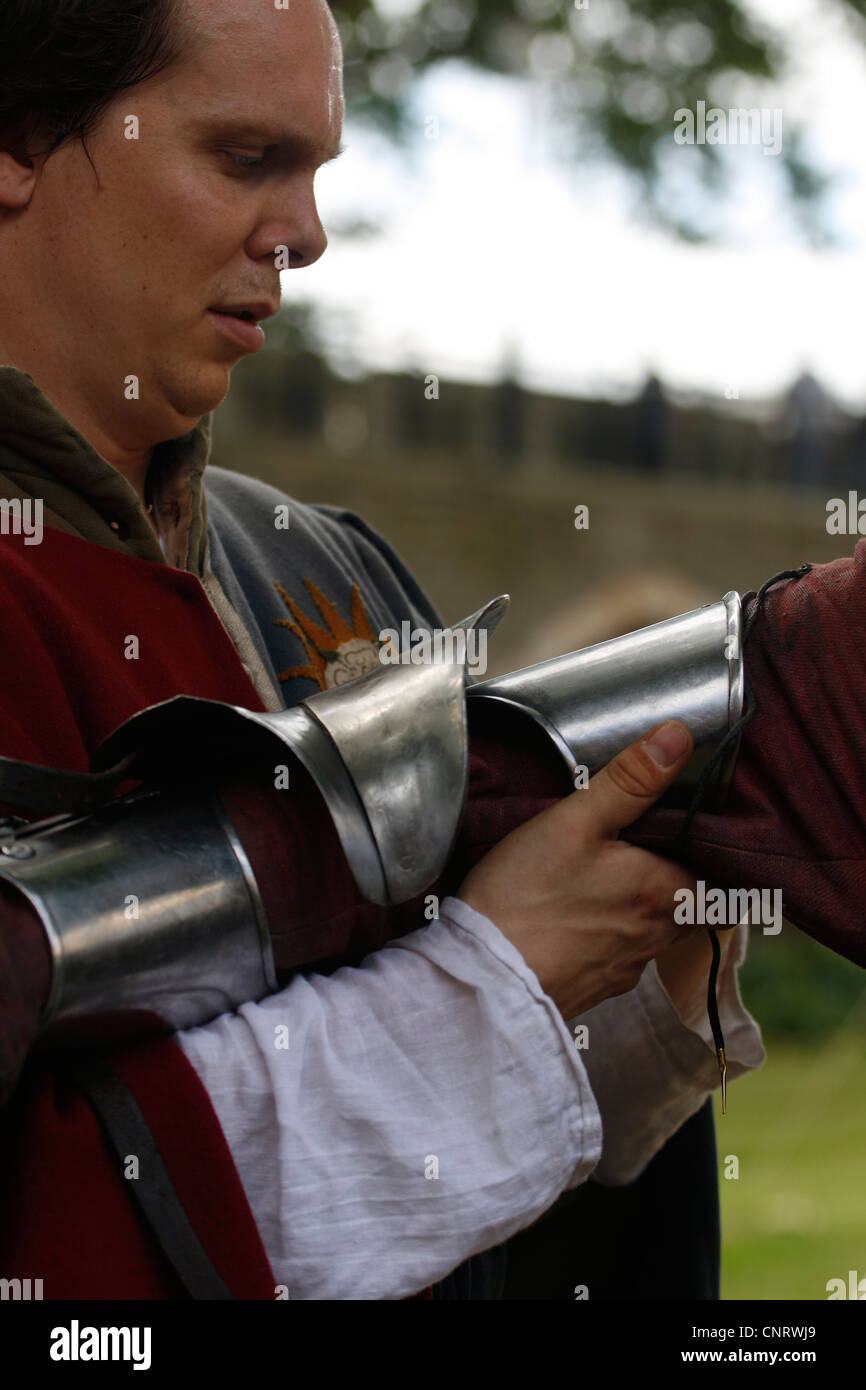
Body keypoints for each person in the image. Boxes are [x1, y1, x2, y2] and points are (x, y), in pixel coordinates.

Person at [0, 0, 762, 1300]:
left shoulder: (327, 571)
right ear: (18, 137)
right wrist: (480, 1000)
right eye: (246, 159)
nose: (305, 233)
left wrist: (640, 943)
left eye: (315, 171)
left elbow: (483, 1200)